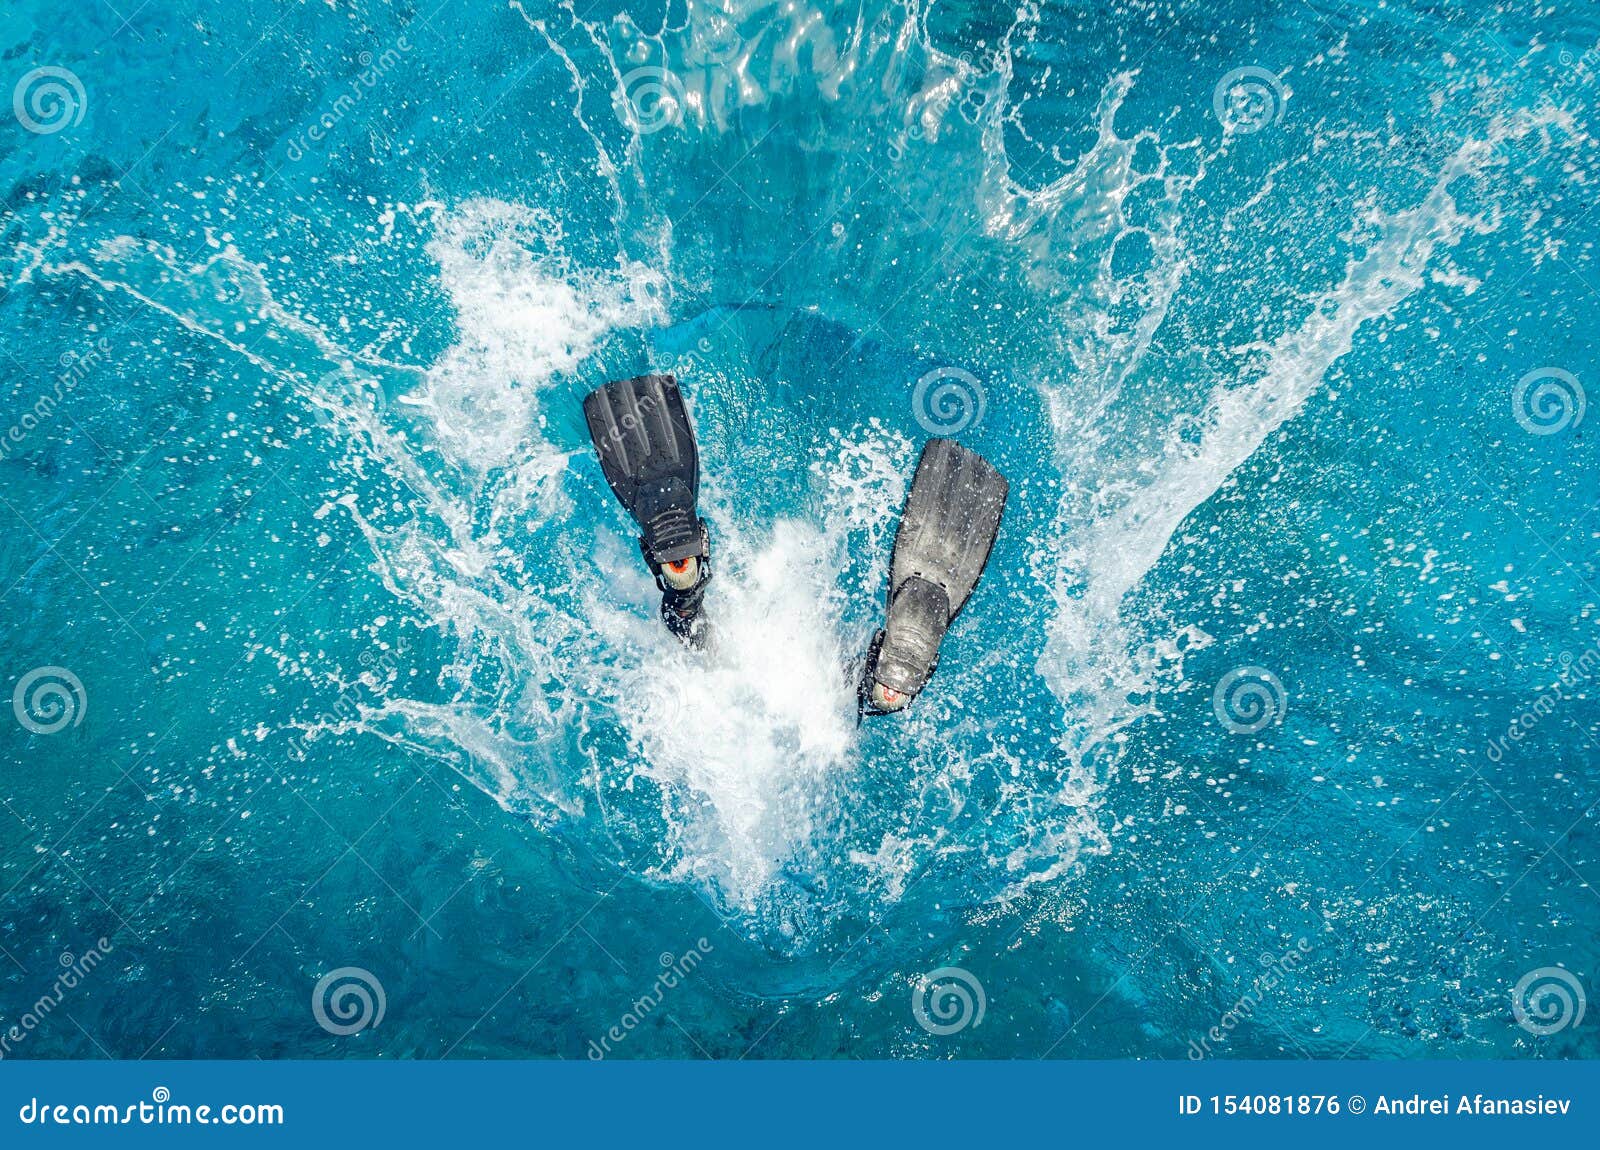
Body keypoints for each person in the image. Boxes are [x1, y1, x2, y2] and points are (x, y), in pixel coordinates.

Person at [583, 375, 1008, 715]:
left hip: (729, 708)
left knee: (700, 638)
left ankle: (683, 578)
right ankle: (887, 681)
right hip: (782, 716)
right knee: (857, 694)